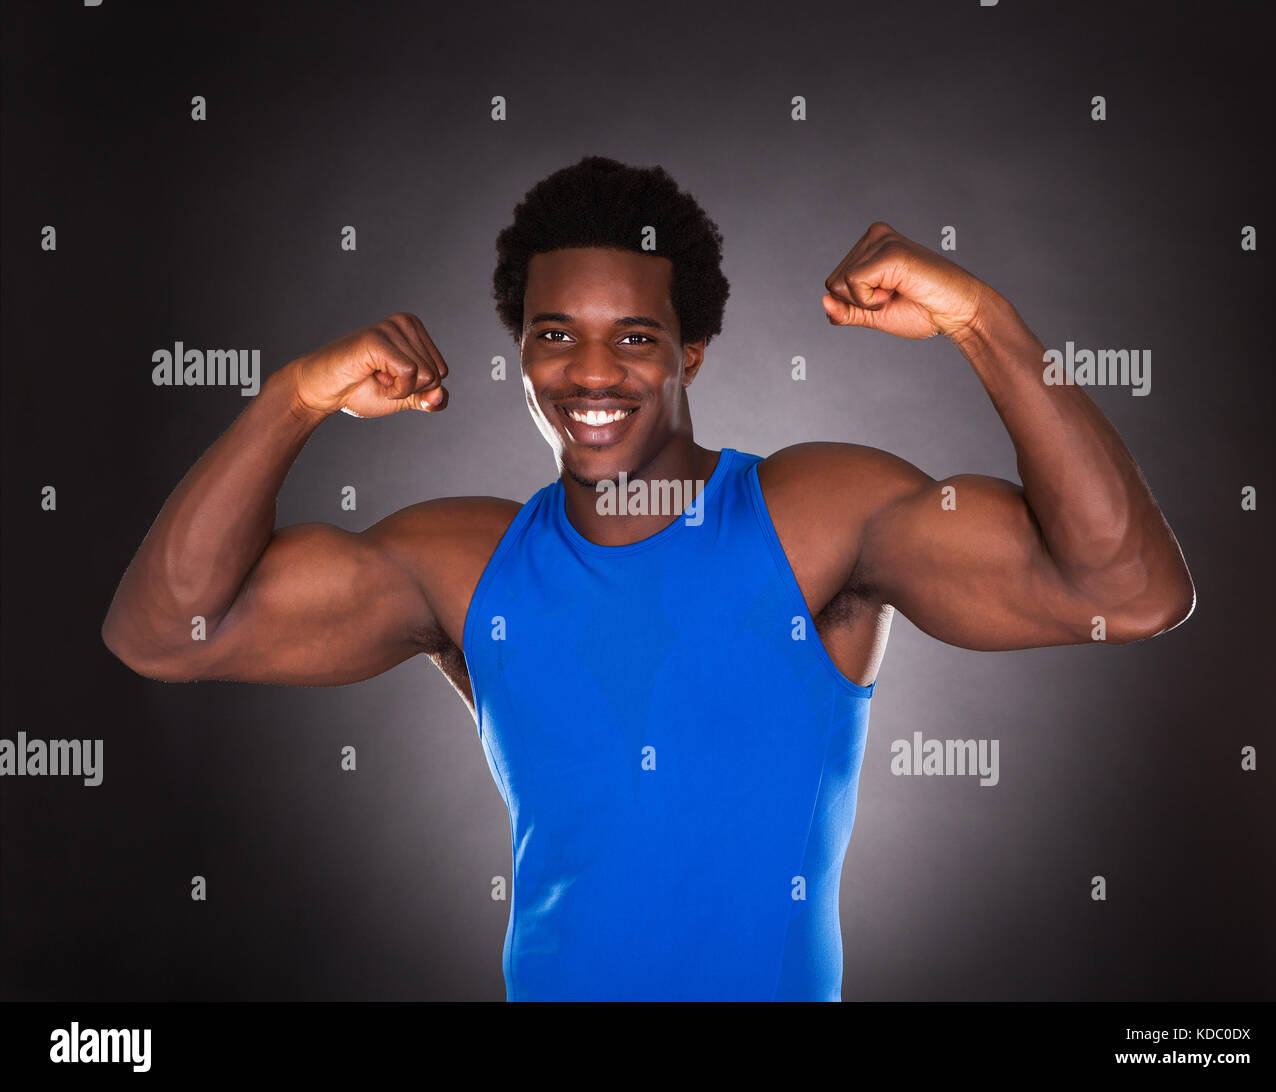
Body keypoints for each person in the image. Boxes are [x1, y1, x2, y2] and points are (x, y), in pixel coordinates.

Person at [102, 155, 1195, 1001]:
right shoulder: (464, 564)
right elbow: (167, 629)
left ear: (692, 351)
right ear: (520, 355)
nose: (588, 372)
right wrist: (297, 396)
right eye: (552, 335)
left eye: (633, 335)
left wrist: (978, 318)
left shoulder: (814, 517)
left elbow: (1127, 590)